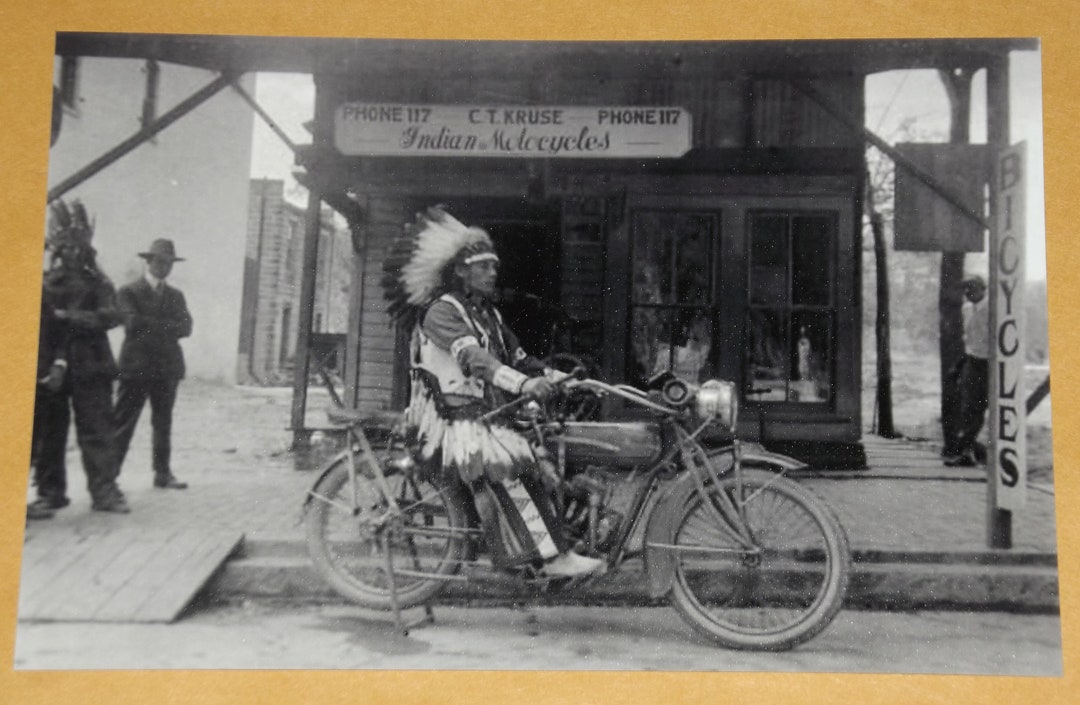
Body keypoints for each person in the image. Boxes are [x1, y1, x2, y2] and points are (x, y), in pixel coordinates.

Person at [382, 206, 605, 578]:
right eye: (483, 266)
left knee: (546, 448)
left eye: (494, 266)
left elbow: (519, 358)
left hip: (481, 412)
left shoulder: (489, 316)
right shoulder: (441, 312)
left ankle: (545, 543)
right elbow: (473, 359)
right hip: (449, 417)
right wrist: (523, 385)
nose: (492, 273)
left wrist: (564, 378)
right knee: (508, 463)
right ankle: (550, 558)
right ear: (460, 270)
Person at [28, 199, 130, 514]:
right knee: (50, 434)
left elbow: (113, 315)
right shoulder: (45, 283)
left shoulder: (99, 282)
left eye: (78, 247)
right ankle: (50, 491)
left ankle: (104, 491)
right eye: (66, 247)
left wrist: (71, 317)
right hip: (53, 369)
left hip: (92, 365)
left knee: (97, 430)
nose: (72, 253)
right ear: (58, 248)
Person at [113, 239, 193, 489]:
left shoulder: (176, 295)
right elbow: (132, 324)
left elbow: (186, 327)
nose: (164, 267)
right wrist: (167, 327)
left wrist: (151, 325)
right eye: (159, 261)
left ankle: (163, 473)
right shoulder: (128, 292)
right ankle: (107, 477)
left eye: (169, 262)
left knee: (163, 422)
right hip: (136, 368)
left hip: (166, 369)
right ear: (148, 261)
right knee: (123, 422)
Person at [945, 275, 989, 467]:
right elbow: (969, 340)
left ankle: (991, 453)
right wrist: (960, 364)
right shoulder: (966, 309)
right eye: (966, 289)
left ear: (983, 288)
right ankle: (966, 452)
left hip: (992, 363)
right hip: (973, 361)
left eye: (972, 288)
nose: (969, 292)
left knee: (990, 406)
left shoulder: (993, 307)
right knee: (969, 408)